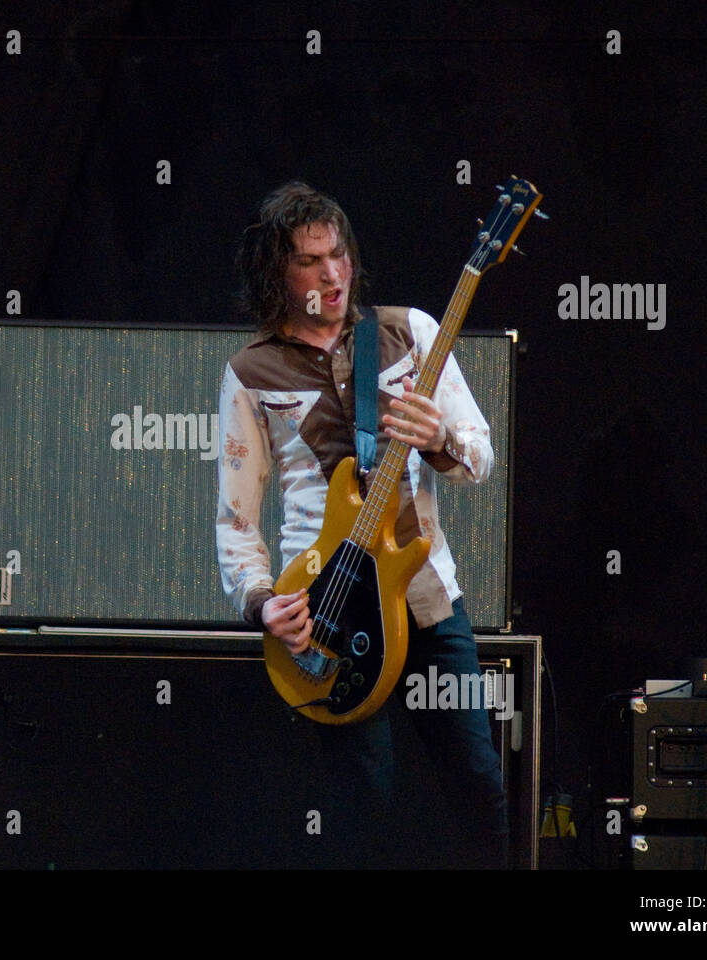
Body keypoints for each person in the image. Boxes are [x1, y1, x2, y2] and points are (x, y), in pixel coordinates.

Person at [215, 181, 508, 868]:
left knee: (478, 781)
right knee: (362, 797)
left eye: (338, 255)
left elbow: (480, 456)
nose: (333, 274)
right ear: (276, 274)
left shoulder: (410, 333)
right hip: (327, 609)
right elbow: (235, 521)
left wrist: (438, 437)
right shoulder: (250, 372)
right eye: (311, 261)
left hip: (427, 601)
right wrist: (262, 605)